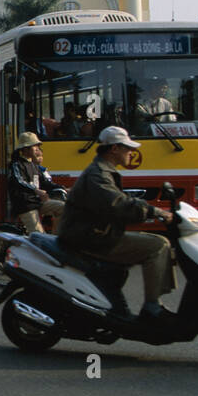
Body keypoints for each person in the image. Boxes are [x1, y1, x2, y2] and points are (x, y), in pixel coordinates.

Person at [58, 126, 175, 319]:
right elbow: (117, 204)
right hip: (90, 237)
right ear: (114, 149)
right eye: (127, 148)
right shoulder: (99, 175)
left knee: (153, 241)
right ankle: (152, 307)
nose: (131, 152)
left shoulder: (103, 171)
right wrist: (155, 211)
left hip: (96, 233)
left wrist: (147, 210)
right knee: (159, 245)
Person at [7, 132, 64, 233]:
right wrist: (36, 190)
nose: (37, 148)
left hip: (38, 203)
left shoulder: (34, 165)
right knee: (39, 235)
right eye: (34, 146)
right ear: (25, 149)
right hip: (25, 205)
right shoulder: (17, 164)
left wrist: (63, 188)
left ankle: (55, 239)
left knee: (63, 208)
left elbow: (46, 183)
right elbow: (19, 182)